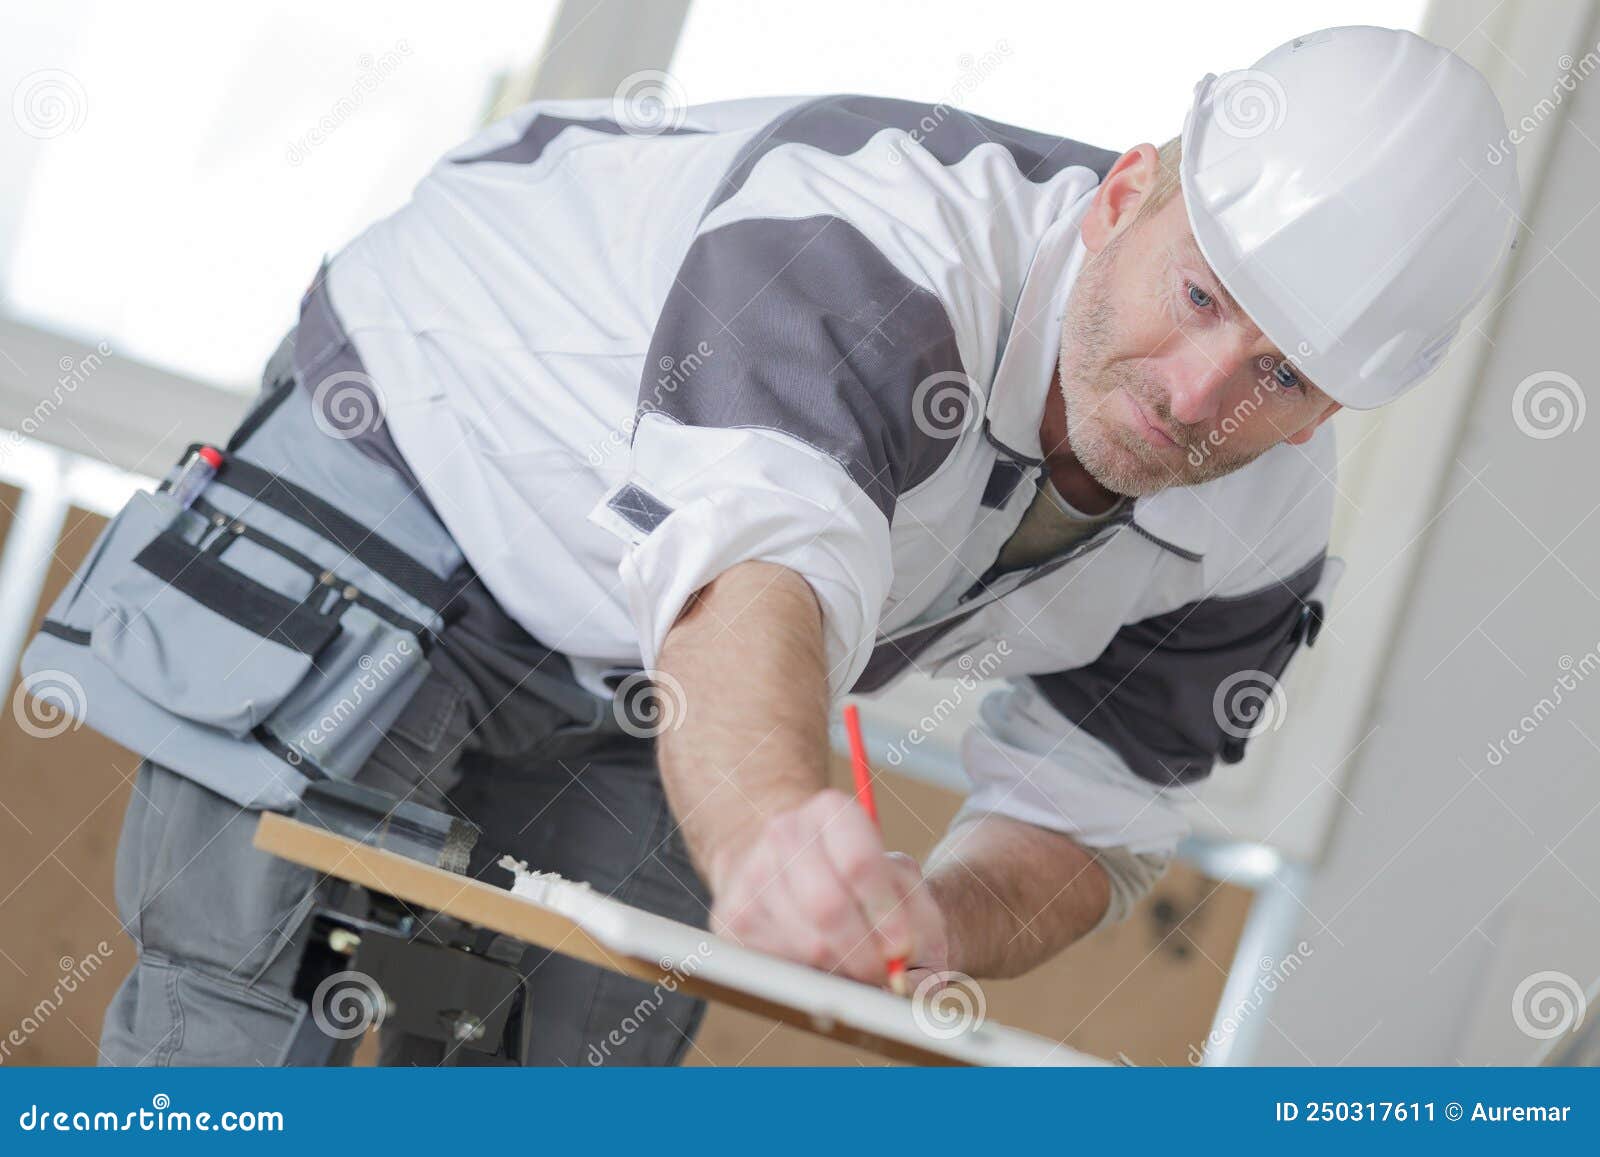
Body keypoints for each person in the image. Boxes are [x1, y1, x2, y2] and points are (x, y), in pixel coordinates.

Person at [23, 25, 1518, 1065]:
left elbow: (1093, 818)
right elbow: (754, 583)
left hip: (647, 647)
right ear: (1127, 193)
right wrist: (769, 832)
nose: (1201, 399)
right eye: (1200, 299)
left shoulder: (1257, 533)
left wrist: (933, 912)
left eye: (1285, 376)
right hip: (420, 454)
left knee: (567, 1063)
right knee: (256, 1026)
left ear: (1335, 404)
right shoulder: (879, 248)